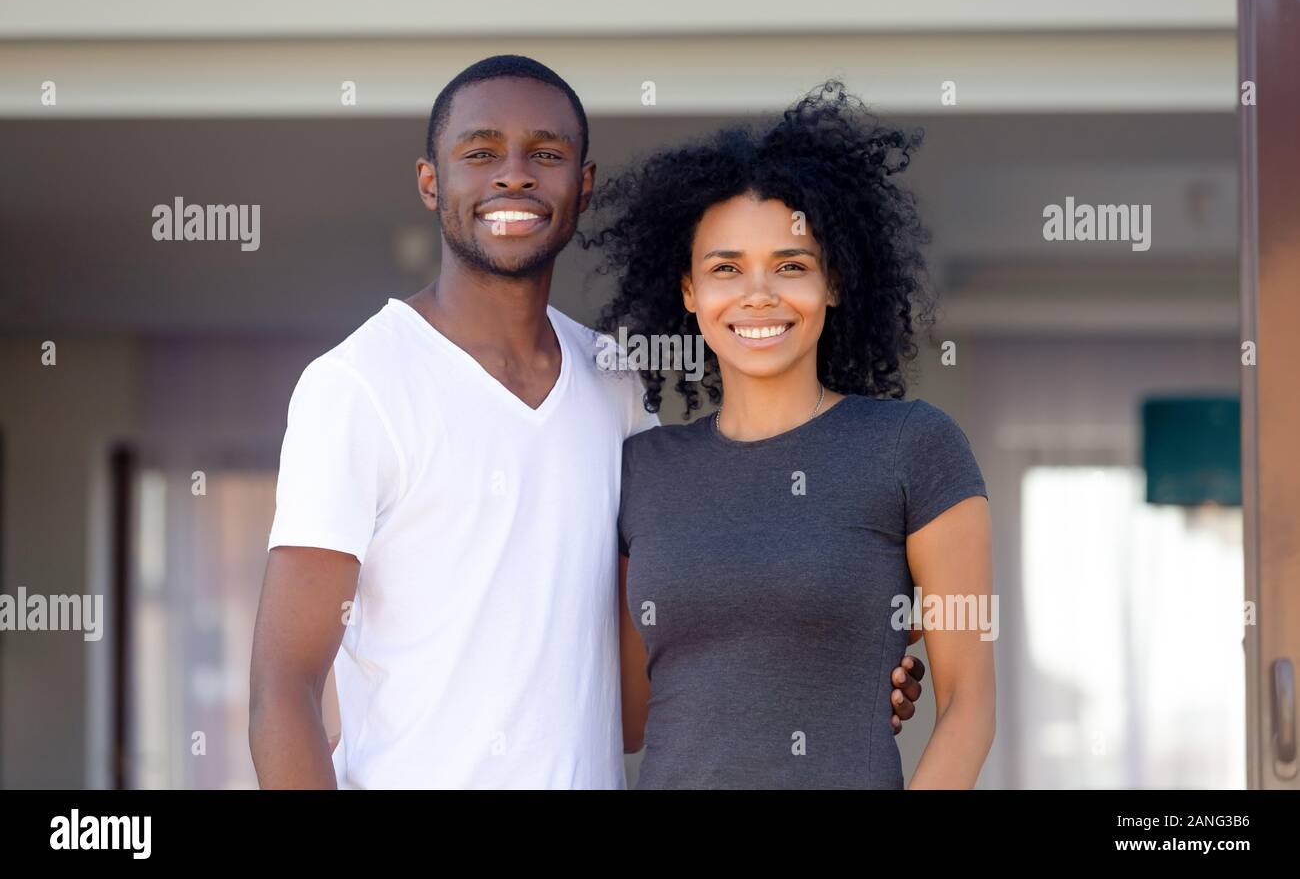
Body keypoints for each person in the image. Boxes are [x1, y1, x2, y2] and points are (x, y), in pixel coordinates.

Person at [248, 57, 927, 789]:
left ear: (584, 184)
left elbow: (644, 689)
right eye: (480, 153)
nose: (513, 175)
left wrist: (833, 661)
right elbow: (281, 692)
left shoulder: (615, 381)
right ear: (429, 182)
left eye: (546, 154)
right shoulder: (357, 385)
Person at [595, 80, 995, 788]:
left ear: (833, 283)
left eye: (791, 266)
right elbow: (630, 711)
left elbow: (969, 705)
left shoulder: (913, 447)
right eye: (725, 269)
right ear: (689, 292)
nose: (758, 294)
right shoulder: (641, 469)